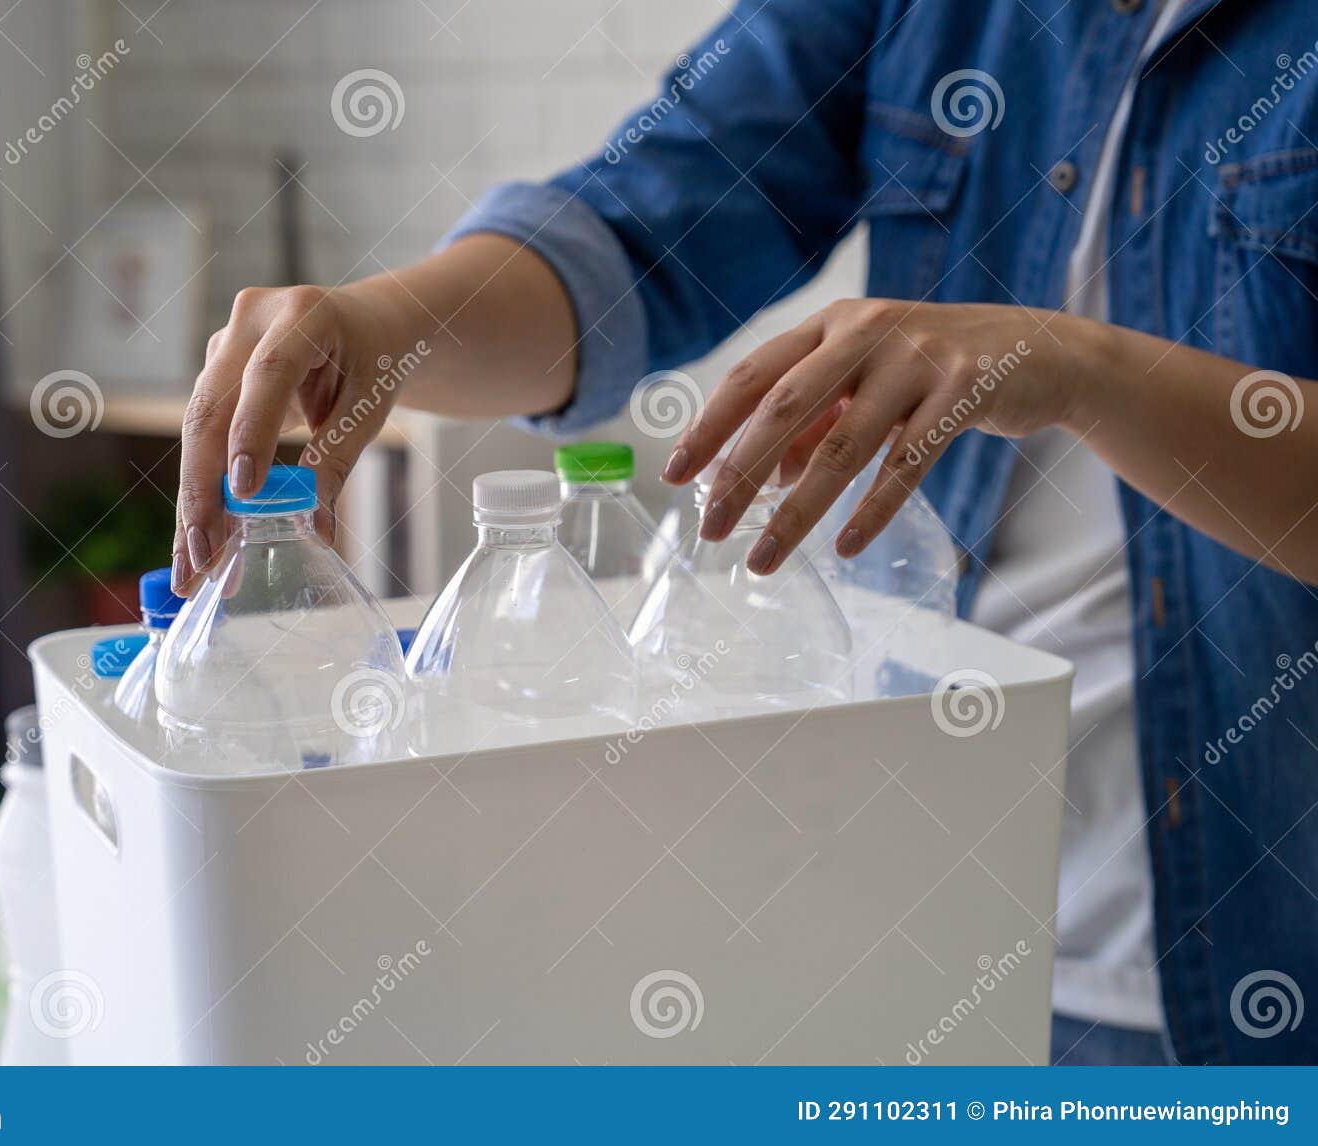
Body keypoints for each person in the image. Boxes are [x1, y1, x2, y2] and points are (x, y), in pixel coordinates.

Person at [172, 1, 1318, 1065]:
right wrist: (384, 324)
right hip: (919, 913)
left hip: (1253, 948)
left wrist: (1078, 366)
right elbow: (635, 231)